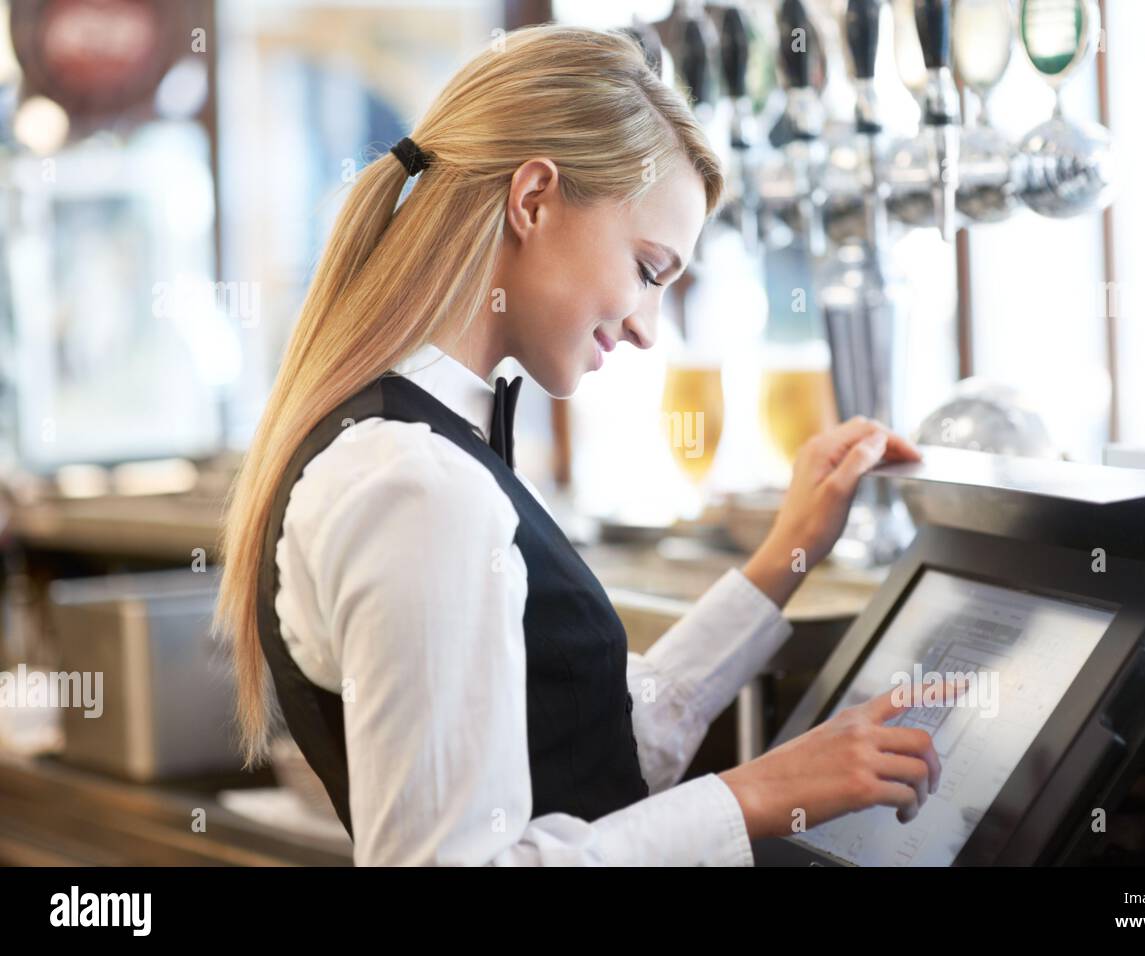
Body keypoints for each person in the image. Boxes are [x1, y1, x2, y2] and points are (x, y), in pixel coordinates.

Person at [215, 23, 938, 866]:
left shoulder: (436, 441)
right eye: (647, 268)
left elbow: (587, 748)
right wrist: (757, 795)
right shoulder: (418, 484)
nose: (645, 327)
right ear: (532, 200)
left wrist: (787, 555)